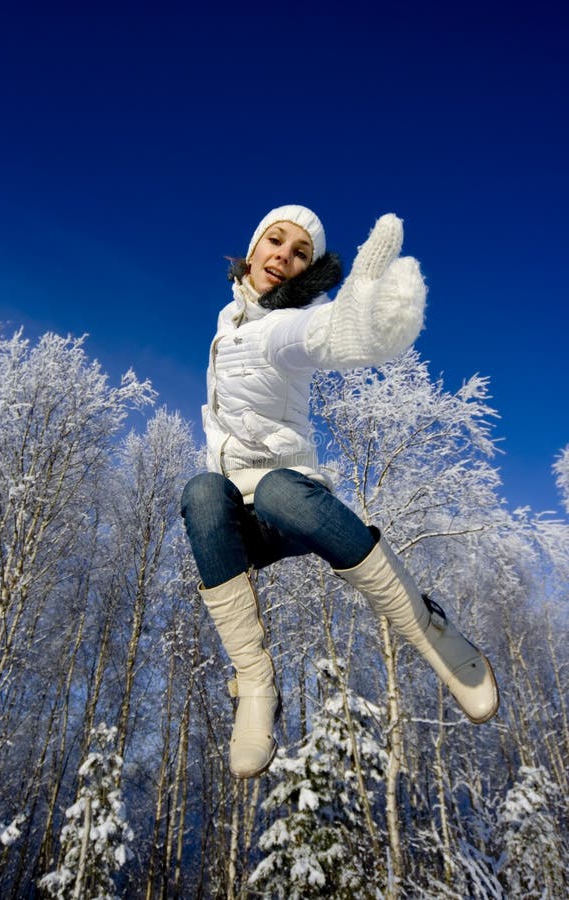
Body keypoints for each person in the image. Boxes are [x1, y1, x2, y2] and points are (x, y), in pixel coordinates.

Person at [180, 205, 499, 779]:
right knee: (202, 491)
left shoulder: (281, 329)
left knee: (278, 488)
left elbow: (318, 336)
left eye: (301, 253)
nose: (284, 254)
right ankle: (255, 686)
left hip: (290, 507)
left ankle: (430, 634)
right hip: (237, 523)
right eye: (275, 242)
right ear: (251, 253)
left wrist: (362, 330)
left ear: (307, 273)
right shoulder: (227, 325)